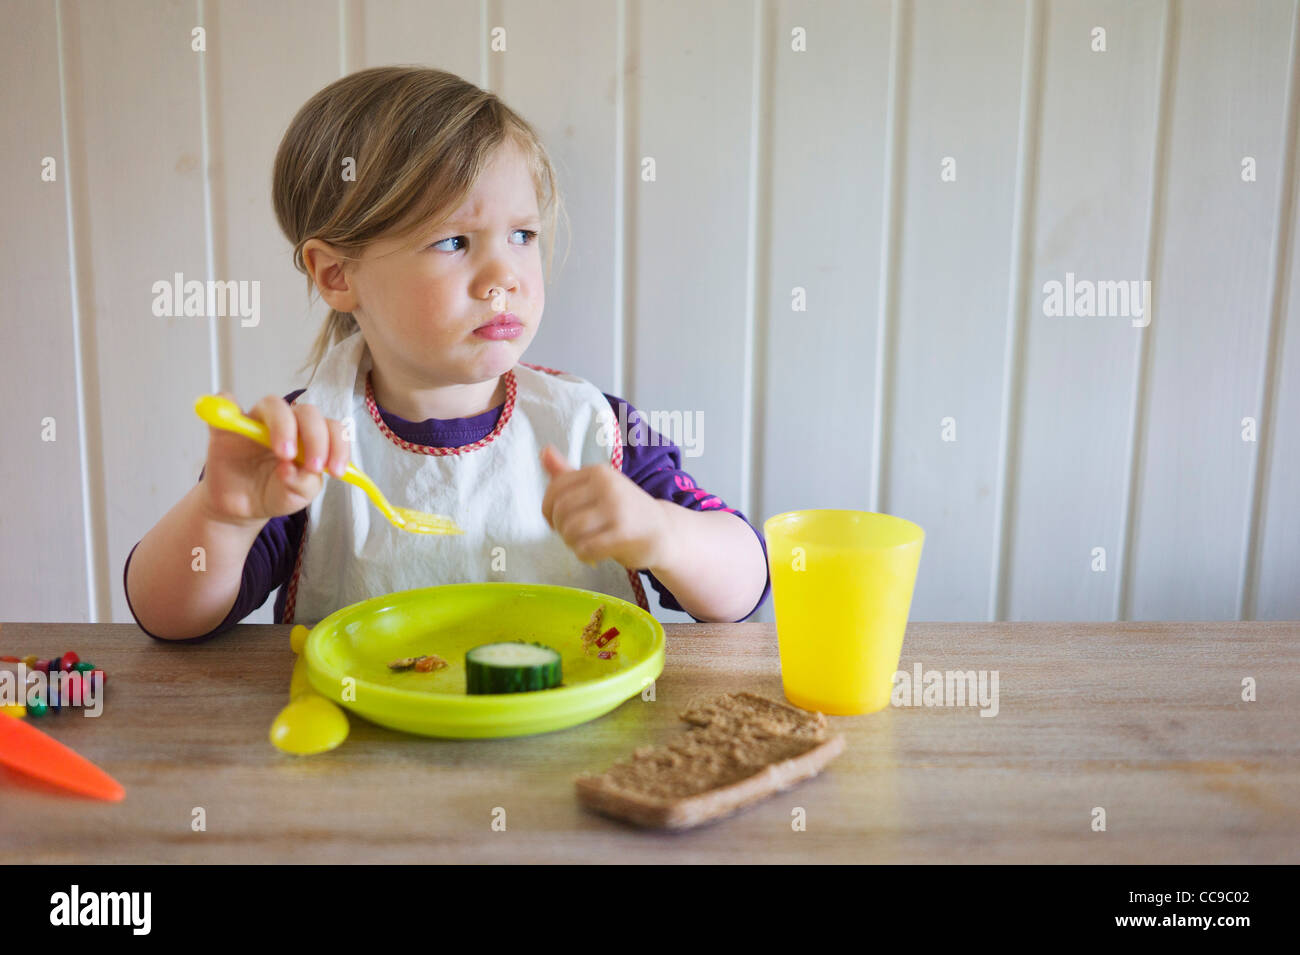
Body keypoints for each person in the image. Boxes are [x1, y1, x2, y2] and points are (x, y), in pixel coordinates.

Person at [124, 66, 770, 641]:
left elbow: (743, 585)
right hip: (362, 763)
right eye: (454, 241)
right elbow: (168, 617)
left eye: (522, 234)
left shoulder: (590, 426)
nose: (505, 276)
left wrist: (662, 532)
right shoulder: (304, 444)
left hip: (583, 758)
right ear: (337, 275)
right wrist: (223, 515)